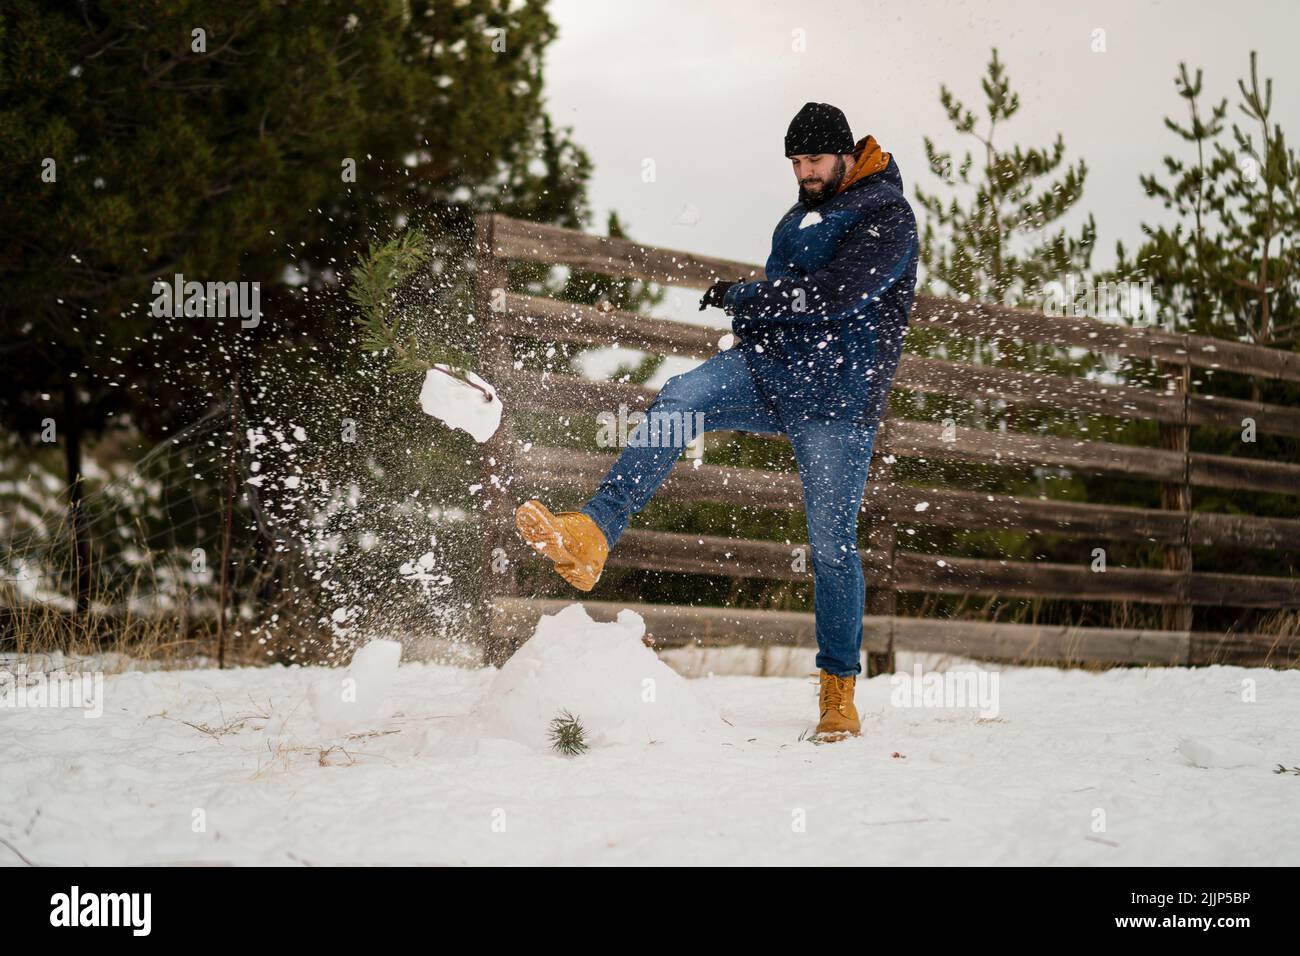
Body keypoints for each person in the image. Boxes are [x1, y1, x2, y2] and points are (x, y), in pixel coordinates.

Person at [515, 101, 919, 741]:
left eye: (813, 159)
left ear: (847, 154)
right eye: (794, 162)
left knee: (833, 547)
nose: (803, 172)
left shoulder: (888, 218)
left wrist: (750, 295)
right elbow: (790, 300)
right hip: (771, 372)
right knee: (680, 396)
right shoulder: (801, 214)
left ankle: (838, 692)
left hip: (837, 401)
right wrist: (744, 304)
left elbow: (836, 295)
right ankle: (594, 531)